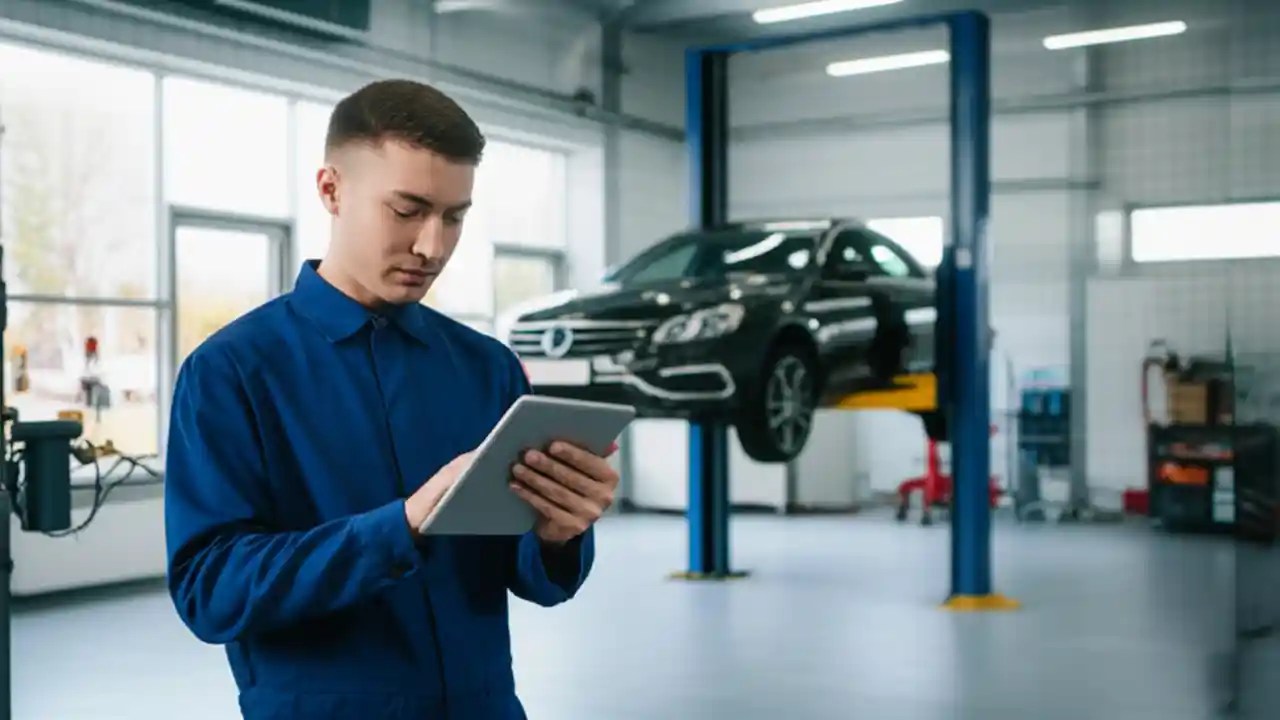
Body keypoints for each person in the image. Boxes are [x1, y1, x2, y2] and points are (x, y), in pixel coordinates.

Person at [163, 78, 619, 719]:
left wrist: (559, 533)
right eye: (406, 210)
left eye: (454, 216)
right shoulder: (232, 372)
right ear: (331, 189)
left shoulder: (487, 369)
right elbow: (209, 590)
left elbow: (530, 576)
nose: (433, 246)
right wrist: (398, 527)